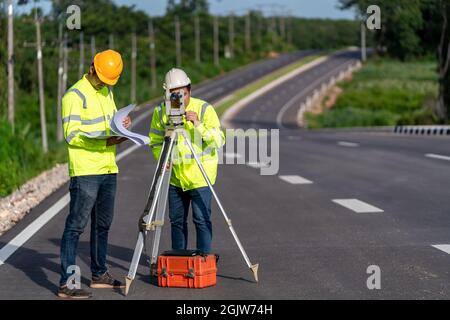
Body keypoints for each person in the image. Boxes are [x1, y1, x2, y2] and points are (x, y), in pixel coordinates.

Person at [58, 49, 131, 299]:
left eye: (108, 80)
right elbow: (72, 135)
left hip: (108, 167)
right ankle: (67, 283)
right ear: (92, 68)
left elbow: (109, 124)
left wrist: (122, 129)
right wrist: (103, 141)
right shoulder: (74, 95)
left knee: (103, 225)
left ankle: (99, 274)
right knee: (75, 226)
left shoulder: (107, 92)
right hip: (86, 170)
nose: (104, 83)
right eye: (102, 78)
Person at [149, 68, 225, 254]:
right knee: (176, 221)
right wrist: (162, 159)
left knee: (201, 219)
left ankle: (204, 258)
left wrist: (198, 124)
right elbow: (155, 141)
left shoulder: (204, 109)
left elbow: (218, 141)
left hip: (200, 176)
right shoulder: (161, 112)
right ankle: (179, 259)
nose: (179, 98)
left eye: (182, 93)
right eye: (173, 94)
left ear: (189, 90)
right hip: (175, 177)